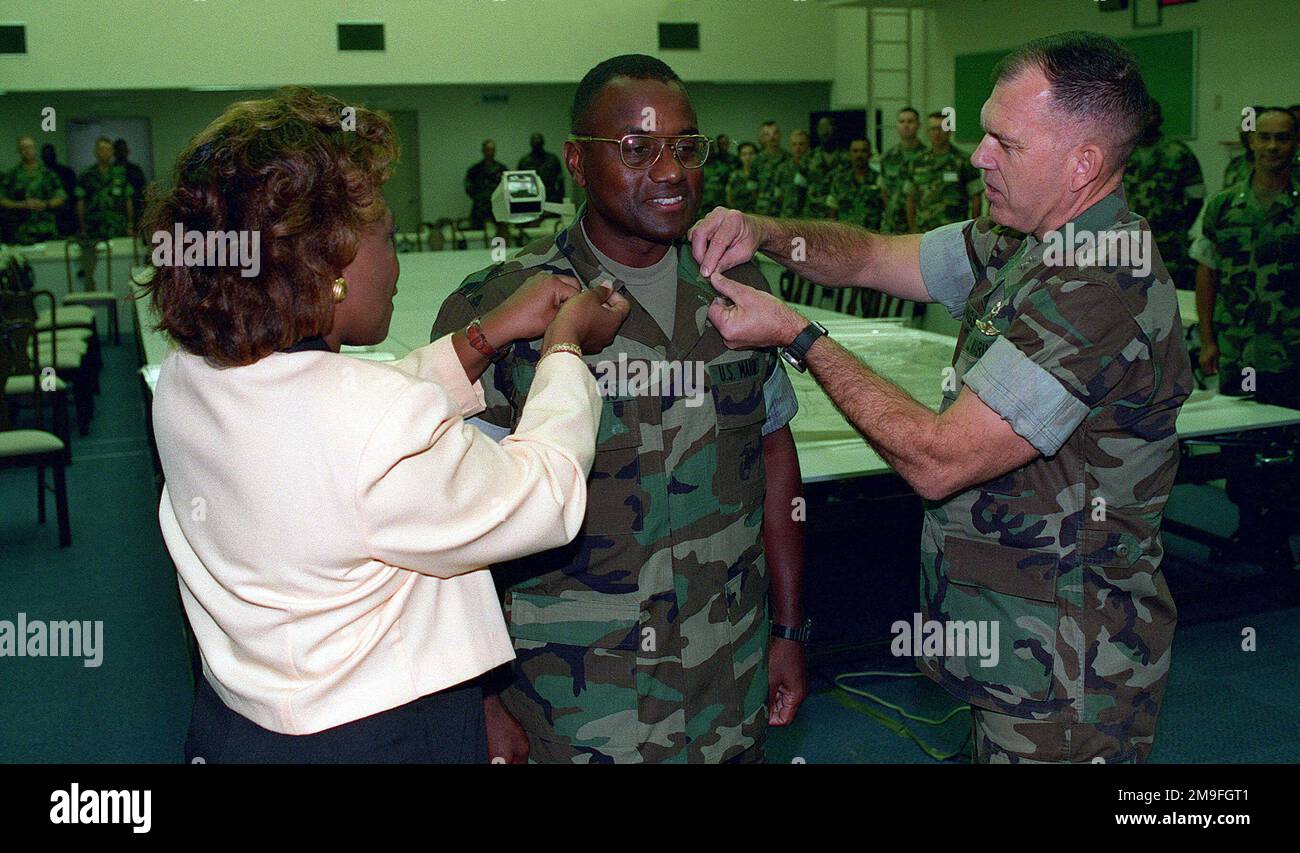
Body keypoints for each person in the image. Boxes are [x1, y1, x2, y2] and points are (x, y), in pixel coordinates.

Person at [691, 31, 1191, 763]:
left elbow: (938, 459)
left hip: (1070, 672)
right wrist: (766, 233)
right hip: (1017, 641)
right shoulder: (1026, 239)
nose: (977, 156)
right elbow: (872, 256)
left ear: (1083, 163)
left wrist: (798, 336)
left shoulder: (1098, 286)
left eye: (1004, 143)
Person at [142, 86, 630, 763]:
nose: (396, 263)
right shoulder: (369, 419)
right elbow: (545, 495)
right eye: (388, 238)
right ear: (332, 262)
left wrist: (485, 335)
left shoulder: (186, 377)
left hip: (239, 730)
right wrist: (566, 348)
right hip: (382, 738)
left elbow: (319, 422)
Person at [431, 54, 807, 764]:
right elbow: (449, 519)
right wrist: (478, 698)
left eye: (686, 147)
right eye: (636, 148)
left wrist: (787, 629)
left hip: (726, 673)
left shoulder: (736, 287)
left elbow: (773, 455)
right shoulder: (502, 306)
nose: (670, 171)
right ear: (577, 161)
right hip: (575, 698)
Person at [1192, 106, 1299, 406]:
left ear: (1296, 142)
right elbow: (1207, 274)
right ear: (1251, 141)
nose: (1272, 146)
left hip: (1292, 352)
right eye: (1264, 137)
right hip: (1237, 350)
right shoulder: (1223, 206)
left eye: (1282, 138)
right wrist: (1207, 341)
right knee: (1239, 428)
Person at [1123, 100, 1204, 290]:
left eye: (1151, 115)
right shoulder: (1122, 153)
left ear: (1160, 119)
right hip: (1129, 241)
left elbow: (1196, 199)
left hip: (1169, 244)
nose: (1146, 120)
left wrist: (1175, 227)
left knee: (1170, 293)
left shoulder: (1178, 153)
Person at [905, 111, 982, 232]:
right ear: (927, 131)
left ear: (950, 131)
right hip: (923, 231)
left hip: (954, 231)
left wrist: (972, 230)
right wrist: (912, 228)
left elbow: (976, 198)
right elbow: (910, 197)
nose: (937, 133)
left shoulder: (963, 161)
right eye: (933, 129)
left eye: (941, 128)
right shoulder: (917, 162)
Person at [75, 137, 133, 289]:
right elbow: (80, 201)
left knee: (118, 263)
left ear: (112, 152)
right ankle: (92, 287)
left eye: (108, 149)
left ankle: (119, 290)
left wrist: (130, 224)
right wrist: (82, 226)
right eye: (101, 149)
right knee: (93, 264)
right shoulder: (87, 174)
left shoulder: (120, 173)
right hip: (93, 228)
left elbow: (128, 200)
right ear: (95, 152)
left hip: (117, 227)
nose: (105, 153)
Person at [0, 135, 67, 244]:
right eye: (23, 148)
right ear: (18, 151)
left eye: (30, 147)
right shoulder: (11, 175)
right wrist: (22, 205)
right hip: (21, 231)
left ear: (35, 149)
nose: (27, 151)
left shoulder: (48, 173)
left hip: (47, 229)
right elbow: (2, 199)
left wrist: (45, 204)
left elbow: (61, 197)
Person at [880, 107, 926, 234]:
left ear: (918, 125)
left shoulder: (927, 157)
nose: (906, 125)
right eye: (902, 121)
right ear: (897, 126)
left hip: (920, 224)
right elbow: (884, 190)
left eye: (910, 121)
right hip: (893, 225)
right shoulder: (888, 157)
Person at [825, 137, 885, 230]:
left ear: (870, 154)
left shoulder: (879, 180)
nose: (859, 155)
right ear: (849, 154)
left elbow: (887, 210)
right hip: (846, 234)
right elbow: (832, 211)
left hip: (872, 234)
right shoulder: (839, 181)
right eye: (855, 151)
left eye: (863, 151)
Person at [464, 139, 506, 236]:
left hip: (497, 206)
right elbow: (468, 187)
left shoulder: (501, 169)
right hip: (480, 207)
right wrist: (480, 197)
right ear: (483, 151)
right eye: (487, 149)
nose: (490, 152)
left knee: (502, 233)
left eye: (492, 149)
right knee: (476, 235)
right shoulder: (475, 170)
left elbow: (507, 188)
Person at [752, 120, 788, 217]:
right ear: (762, 138)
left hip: (785, 212)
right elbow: (753, 189)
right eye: (767, 134)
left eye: (775, 133)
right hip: (763, 212)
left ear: (780, 135)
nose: (772, 137)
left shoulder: (789, 158)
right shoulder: (756, 161)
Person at [40, 143, 78, 236]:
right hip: (43, 216)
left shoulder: (66, 172)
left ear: (54, 155)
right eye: (45, 154)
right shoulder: (38, 174)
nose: (48, 157)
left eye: (50, 154)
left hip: (65, 215)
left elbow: (73, 195)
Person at [517, 132, 565, 205]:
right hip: (531, 196)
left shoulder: (552, 159)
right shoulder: (524, 161)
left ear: (543, 142)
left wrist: (560, 197)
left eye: (538, 141)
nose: (537, 142)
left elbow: (560, 180)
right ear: (531, 143)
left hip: (550, 195)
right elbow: (519, 182)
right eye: (535, 141)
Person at [774, 129, 813, 218]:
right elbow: (778, 196)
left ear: (808, 146)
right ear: (790, 146)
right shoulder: (782, 168)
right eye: (794, 144)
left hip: (809, 217)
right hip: (787, 217)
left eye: (801, 144)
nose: (797, 148)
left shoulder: (814, 167)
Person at [114, 138, 147, 216]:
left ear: (128, 151)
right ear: (114, 152)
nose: (121, 153)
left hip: (136, 209)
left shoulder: (136, 170)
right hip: (116, 212)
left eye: (123, 150)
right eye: (119, 150)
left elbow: (143, 191)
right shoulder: (110, 171)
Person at [726, 141, 760, 213]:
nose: (748, 157)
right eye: (744, 154)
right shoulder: (735, 175)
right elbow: (729, 197)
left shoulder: (762, 175)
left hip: (759, 213)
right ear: (739, 157)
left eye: (751, 154)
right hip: (739, 213)